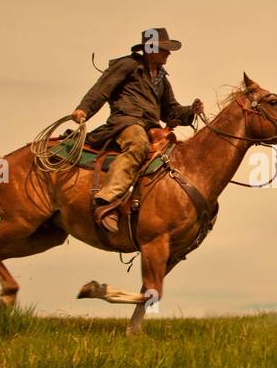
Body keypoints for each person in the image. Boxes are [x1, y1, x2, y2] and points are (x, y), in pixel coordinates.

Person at [73, 28, 203, 232]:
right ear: (150, 49)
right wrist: (84, 109)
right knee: (138, 146)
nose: (169, 53)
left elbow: (170, 111)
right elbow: (101, 89)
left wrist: (190, 111)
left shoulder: (161, 78)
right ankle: (106, 199)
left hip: (151, 126)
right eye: (164, 49)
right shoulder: (128, 65)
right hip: (126, 122)